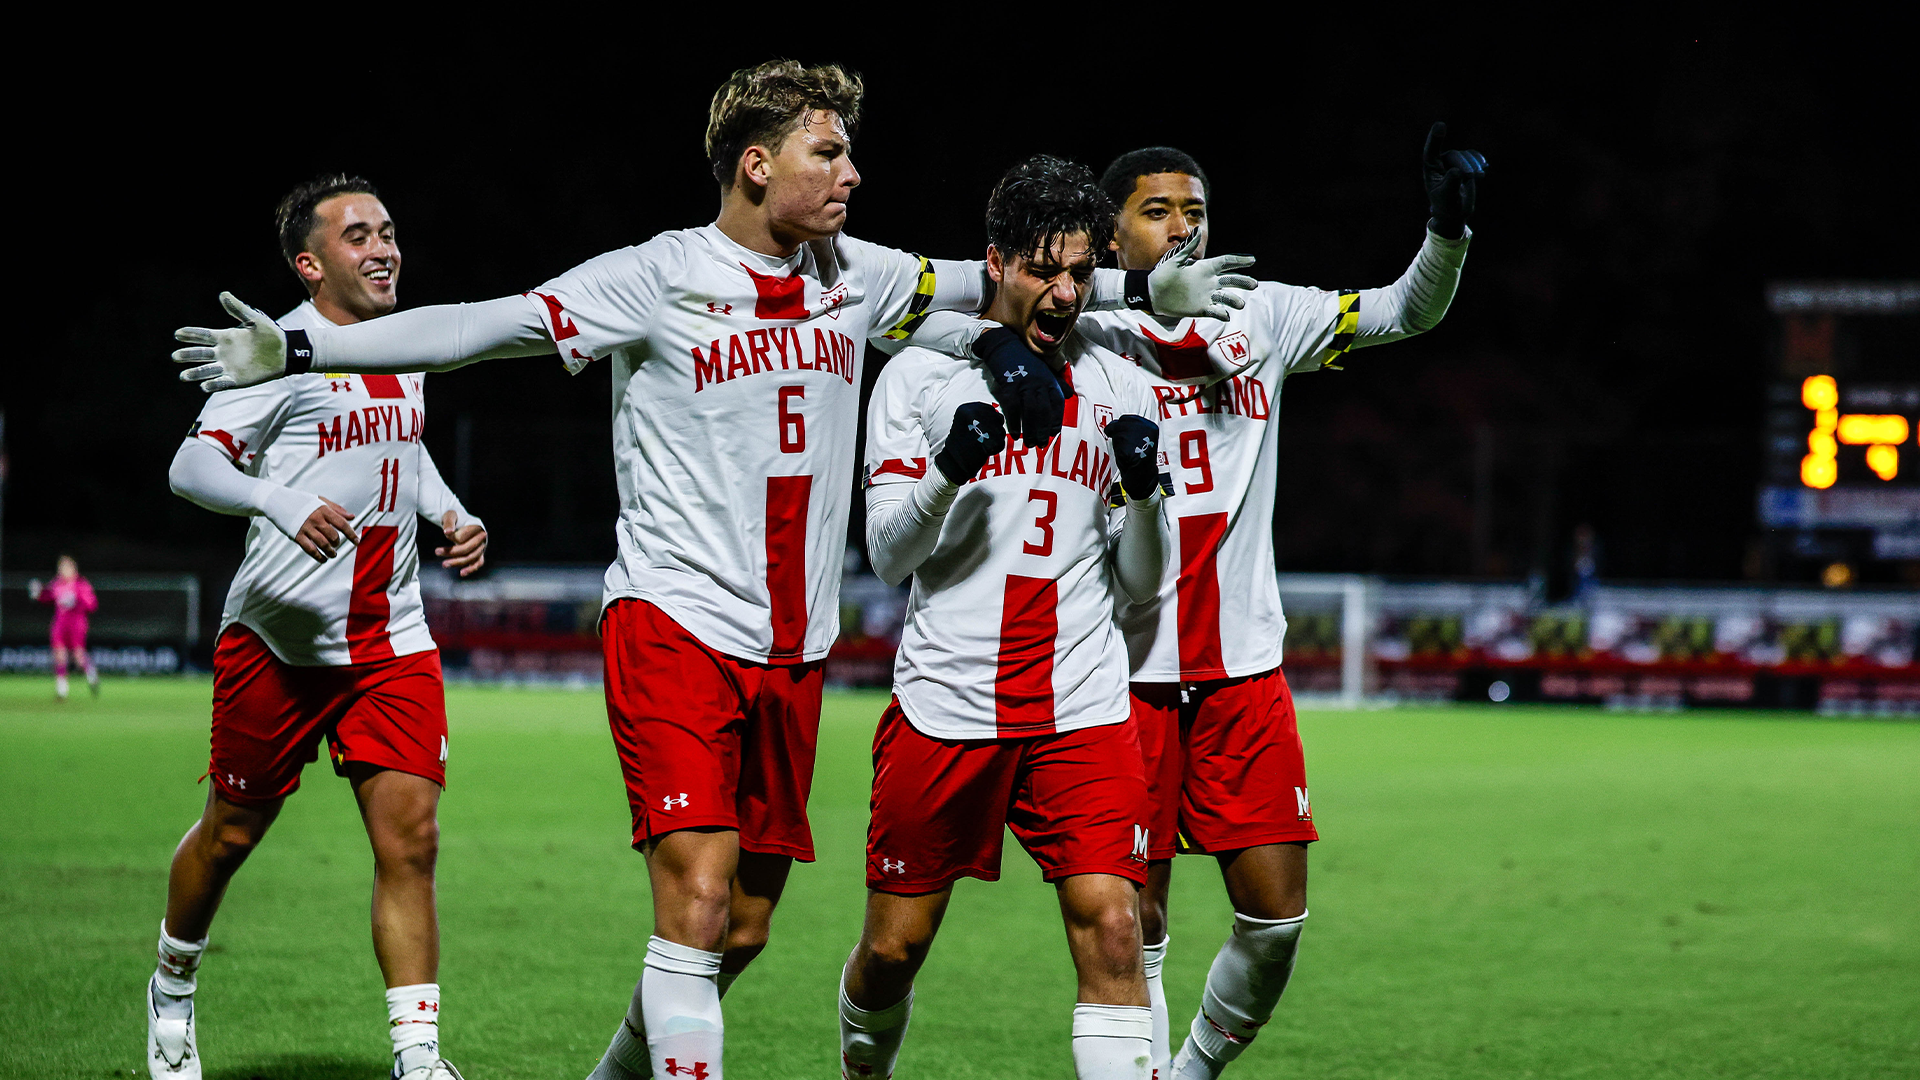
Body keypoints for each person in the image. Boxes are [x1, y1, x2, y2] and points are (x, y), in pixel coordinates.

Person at [168, 60, 1252, 1080]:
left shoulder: (858, 277)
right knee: (692, 902)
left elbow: (1011, 278)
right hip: (673, 620)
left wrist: (1144, 295)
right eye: (827, 153)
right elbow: (476, 330)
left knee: (742, 925)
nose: (852, 174)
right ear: (755, 164)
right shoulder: (658, 276)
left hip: (792, 648)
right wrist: (306, 350)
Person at [1076, 131, 1483, 1079]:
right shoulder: (1084, 328)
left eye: (1196, 210)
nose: (1184, 227)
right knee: (1135, 924)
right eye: (1158, 210)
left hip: (1242, 674)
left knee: (1275, 920)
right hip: (1120, 673)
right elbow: (963, 310)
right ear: (1110, 234)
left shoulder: (1265, 317)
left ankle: (1189, 1073)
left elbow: (1401, 312)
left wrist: (1447, 232)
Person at [152, 174, 487, 1080]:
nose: (384, 249)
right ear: (310, 265)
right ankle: (173, 987)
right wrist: (276, 498)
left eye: (389, 231)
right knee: (230, 833)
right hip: (281, 642)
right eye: (359, 237)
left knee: (411, 841)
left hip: (392, 643)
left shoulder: (404, 347)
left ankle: (419, 1056)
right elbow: (190, 465)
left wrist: (452, 514)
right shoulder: (278, 350)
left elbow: (403, 450)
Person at [841, 155, 1168, 1080]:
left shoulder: (1123, 385)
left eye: (1078, 273)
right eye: (1041, 270)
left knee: (1115, 929)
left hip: (1082, 704)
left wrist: (1142, 495)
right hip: (948, 703)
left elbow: (1141, 585)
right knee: (894, 951)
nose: (1062, 293)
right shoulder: (916, 378)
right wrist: (949, 469)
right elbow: (887, 555)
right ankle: (862, 1068)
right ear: (993, 262)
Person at [29, 554, 99, 699]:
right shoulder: (57, 583)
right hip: (60, 623)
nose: (63, 571)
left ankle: (91, 674)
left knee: (78, 656)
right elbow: (48, 597)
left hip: (77, 623)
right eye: (61, 568)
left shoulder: (81, 584)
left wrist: (76, 602)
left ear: (74, 569)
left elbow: (92, 604)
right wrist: (38, 593)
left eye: (66, 567)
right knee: (59, 654)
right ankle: (62, 689)